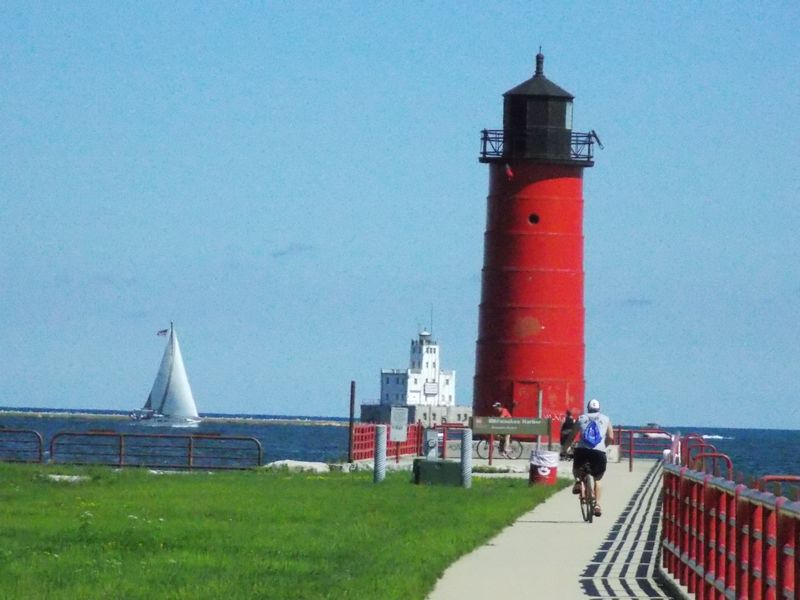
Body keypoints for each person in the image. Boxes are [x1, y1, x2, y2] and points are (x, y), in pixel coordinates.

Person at [572, 398, 614, 517]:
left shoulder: (581, 418)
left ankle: (578, 482)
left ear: (588, 408)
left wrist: (564, 449)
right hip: (599, 454)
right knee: (597, 479)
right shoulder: (606, 419)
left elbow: (572, 436)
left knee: (577, 469)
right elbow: (611, 436)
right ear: (599, 409)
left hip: (582, 451)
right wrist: (603, 446)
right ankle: (597, 505)